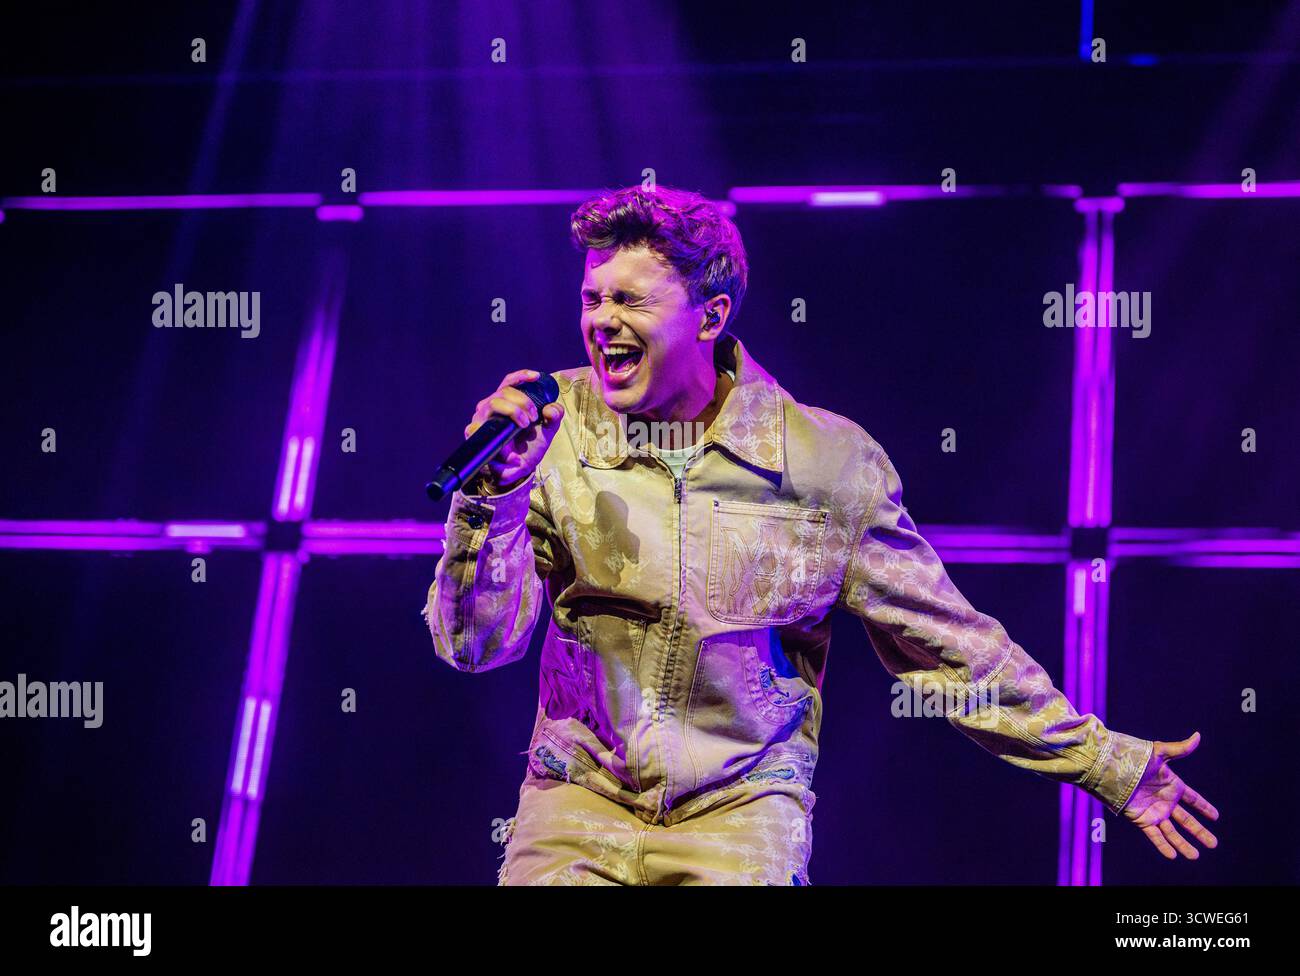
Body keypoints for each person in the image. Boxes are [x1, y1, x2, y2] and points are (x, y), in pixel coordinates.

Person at [423, 185, 1218, 885]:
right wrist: (494, 490)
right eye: (593, 299)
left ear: (712, 315)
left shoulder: (827, 464)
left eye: (630, 301)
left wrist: (1109, 763)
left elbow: (951, 648)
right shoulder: (550, 429)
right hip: (576, 803)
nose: (601, 323)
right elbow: (473, 646)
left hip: (739, 816)